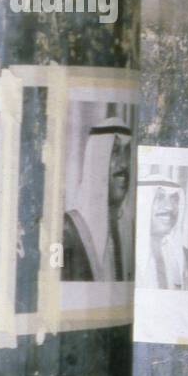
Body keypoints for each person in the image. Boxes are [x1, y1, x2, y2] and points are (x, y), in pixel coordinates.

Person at [62, 113, 133, 281]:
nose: (124, 163)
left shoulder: (127, 227)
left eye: (127, 153)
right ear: (97, 162)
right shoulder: (68, 230)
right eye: (115, 152)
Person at [140, 172, 188, 290]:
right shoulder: (126, 253)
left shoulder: (187, 259)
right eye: (160, 197)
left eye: (174, 199)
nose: (169, 206)